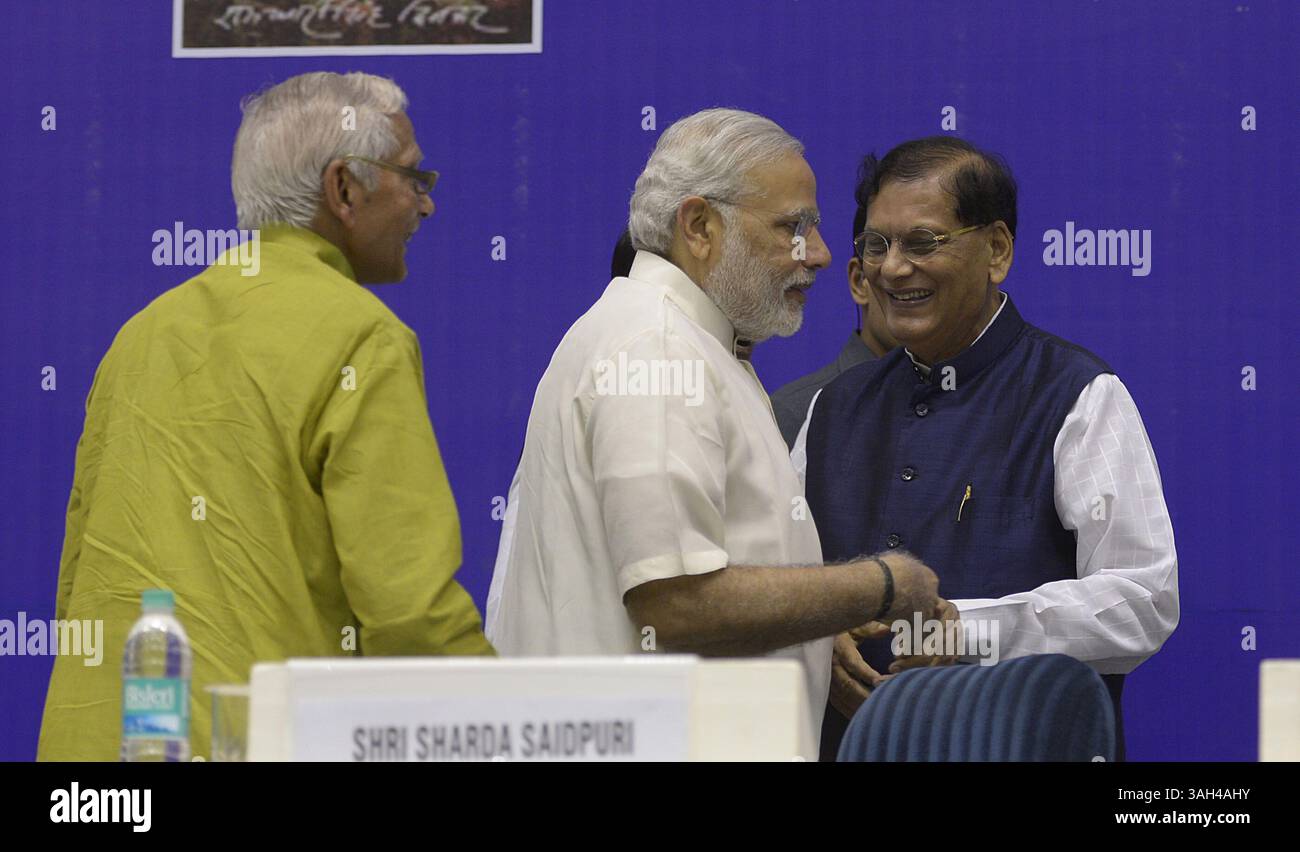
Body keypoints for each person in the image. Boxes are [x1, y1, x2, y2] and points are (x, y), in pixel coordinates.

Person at [39, 72, 493, 761]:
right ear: (344, 188)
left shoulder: (140, 335)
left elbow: (78, 582)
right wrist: (514, 728)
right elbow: (412, 617)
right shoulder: (362, 335)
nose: (425, 206)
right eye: (413, 177)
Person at [487, 108, 942, 745]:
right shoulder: (659, 349)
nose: (818, 253)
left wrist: (807, 633)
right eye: (793, 227)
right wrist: (886, 583)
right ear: (699, 226)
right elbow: (675, 604)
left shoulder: (682, 340)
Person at [795, 137, 1179, 758]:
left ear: (996, 250)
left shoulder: (1079, 394)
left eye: (923, 243)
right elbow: (788, 576)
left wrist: (969, 630)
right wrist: (811, 635)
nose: (892, 268)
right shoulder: (832, 408)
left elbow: (1143, 599)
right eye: (876, 244)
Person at [770, 159, 901, 447]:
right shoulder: (795, 414)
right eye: (882, 250)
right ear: (858, 281)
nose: (902, 269)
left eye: (925, 246)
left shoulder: (987, 402)